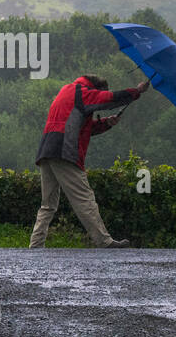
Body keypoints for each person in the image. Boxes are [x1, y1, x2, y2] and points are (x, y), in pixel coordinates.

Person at [30, 74, 149, 248]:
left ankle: (35, 245)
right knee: (84, 198)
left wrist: (107, 123)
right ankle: (104, 241)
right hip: (64, 150)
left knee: (48, 204)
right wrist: (136, 91)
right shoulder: (83, 92)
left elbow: (80, 128)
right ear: (97, 88)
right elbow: (109, 99)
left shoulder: (67, 90)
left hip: (47, 149)